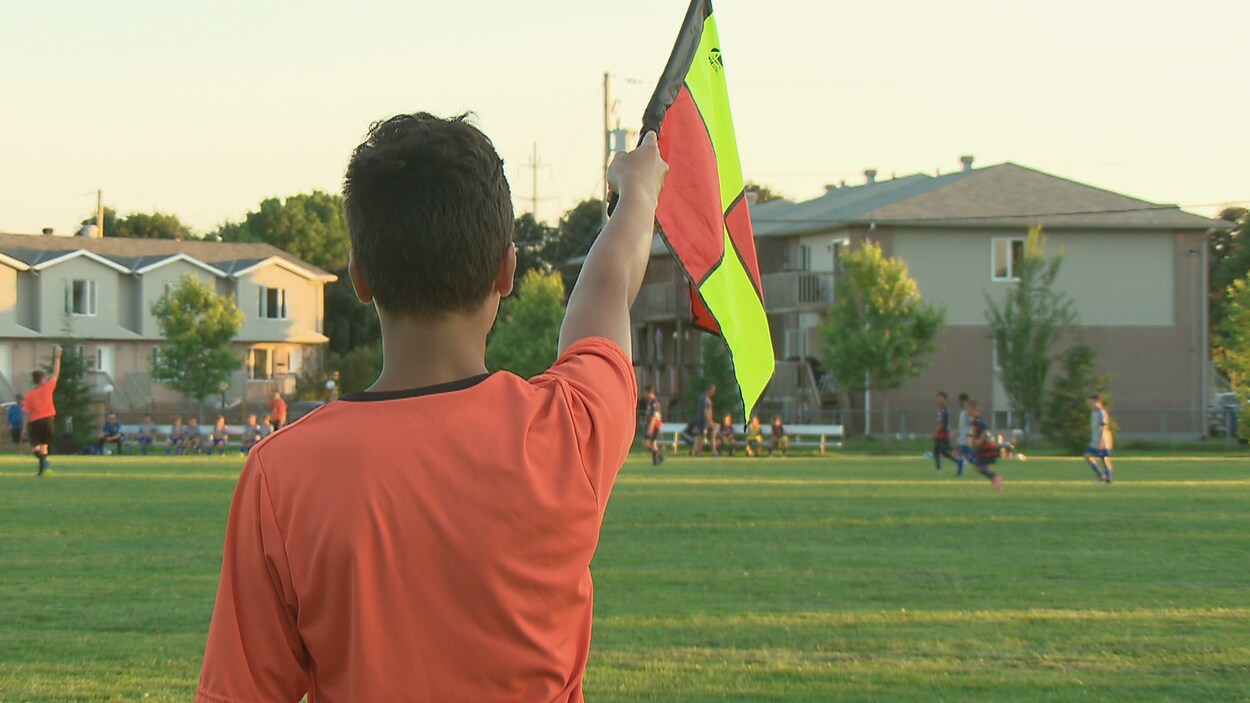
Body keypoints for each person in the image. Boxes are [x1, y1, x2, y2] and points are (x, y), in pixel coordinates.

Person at [198, 113, 667, 701]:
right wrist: (638, 197)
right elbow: (607, 289)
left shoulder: (280, 474)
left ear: (360, 277)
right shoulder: (567, 431)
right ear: (507, 269)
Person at [22, 345, 61, 476]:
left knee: (34, 448)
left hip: (36, 421)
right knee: (44, 447)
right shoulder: (48, 388)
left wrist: (25, 429)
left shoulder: (29, 395)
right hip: (49, 420)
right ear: (43, 379)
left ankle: (45, 464)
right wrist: (57, 357)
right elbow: (56, 373)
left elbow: (27, 413)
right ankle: (42, 472)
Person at [966, 400, 1004, 491]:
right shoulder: (975, 420)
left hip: (986, 446)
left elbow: (985, 430)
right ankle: (998, 485)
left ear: (972, 409)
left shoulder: (977, 419)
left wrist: (979, 441)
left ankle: (995, 478)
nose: (967, 411)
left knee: (978, 466)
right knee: (982, 466)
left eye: (968, 408)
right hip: (986, 446)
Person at [926, 391, 962, 474]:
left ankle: (941, 468)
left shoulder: (943, 411)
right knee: (941, 451)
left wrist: (935, 434)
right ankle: (957, 463)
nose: (939, 400)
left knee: (940, 451)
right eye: (938, 398)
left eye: (941, 398)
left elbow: (941, 424)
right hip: (943, 434)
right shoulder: (943, 410)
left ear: (945, 400)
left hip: (942, 435)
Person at [1084, 393, 1114, 484]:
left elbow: (1103, 426)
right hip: (1095, 440)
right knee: (1087, 456)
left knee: (1104, 458)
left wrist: (1100, 440)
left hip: (1103, 440)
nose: (1090, 404)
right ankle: (1101, 475)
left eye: (1092, 402)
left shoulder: (1102, 412)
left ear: (1098, 402)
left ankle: (1108, 479)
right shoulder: (1094, 412)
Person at [955, 392, 971, 478]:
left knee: (970, 456)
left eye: (960, 401)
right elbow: (961, 426)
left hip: (967, 439)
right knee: (960, 455)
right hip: (962, 438)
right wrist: (958, 435)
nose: (959, 403)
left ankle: (963, 467)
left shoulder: (968, 413)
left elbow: (971, 425)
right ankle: (960, 472)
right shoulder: (962, 413)